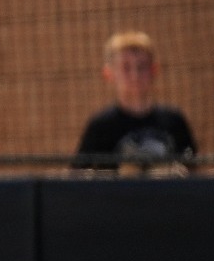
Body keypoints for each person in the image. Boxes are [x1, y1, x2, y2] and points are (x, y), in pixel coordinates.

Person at [73, 31, 197, 171]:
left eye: (141, 66)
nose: (135, 75)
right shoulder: (101, 126)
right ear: (109, 73)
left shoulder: (174, 121)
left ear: (154, 70)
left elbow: (192, 170)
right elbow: (79, 174)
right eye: (126, 67)